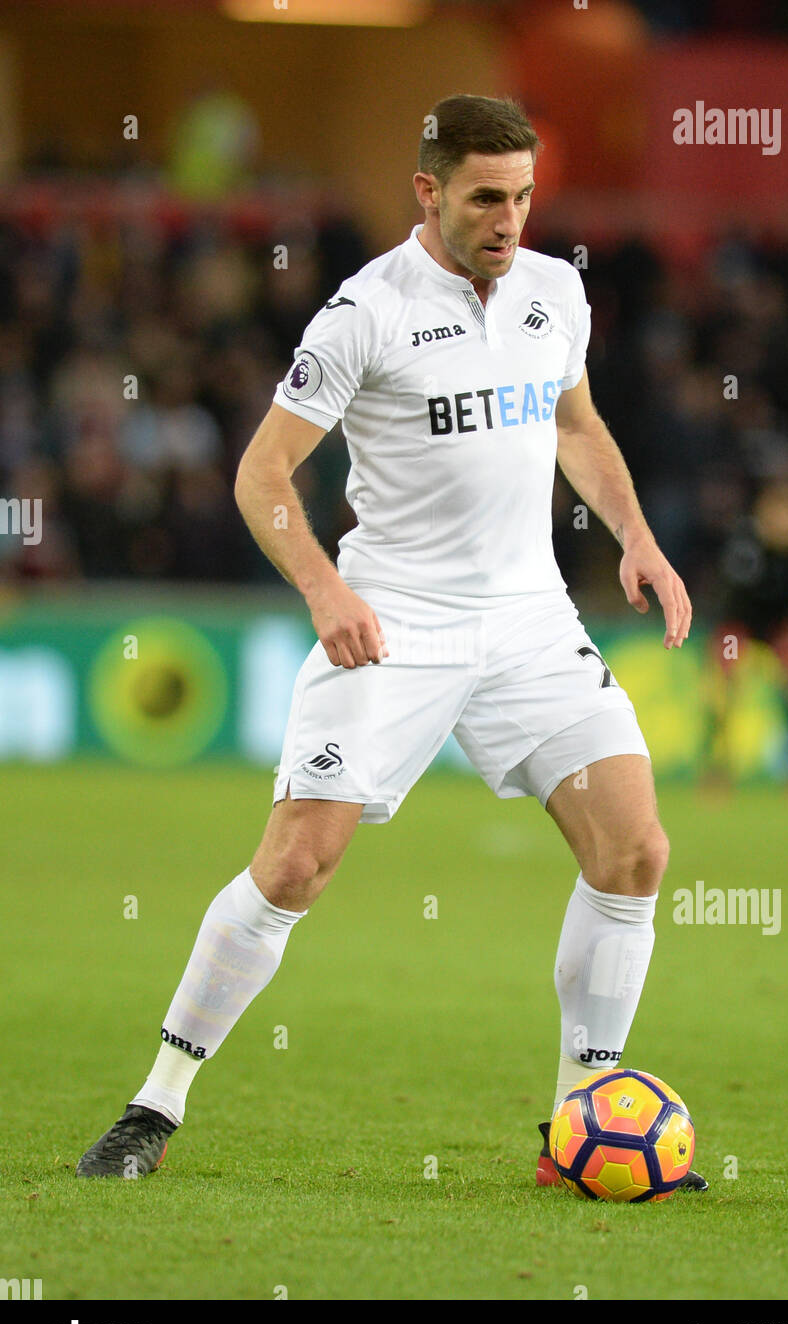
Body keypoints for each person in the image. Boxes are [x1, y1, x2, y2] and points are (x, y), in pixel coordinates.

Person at [77, 95, 704, 1191]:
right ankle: (153, 1105)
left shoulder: (557, 293)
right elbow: (260, 475)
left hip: (526, 620)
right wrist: (325, 590)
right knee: (295, 863)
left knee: (636, 851)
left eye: (521, 196)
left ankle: (576, 1123)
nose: (508, 218)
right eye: (484, 198)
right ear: (429, 191)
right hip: (392, 618)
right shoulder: (362, 311)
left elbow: (573, 424)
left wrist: (637, 539)